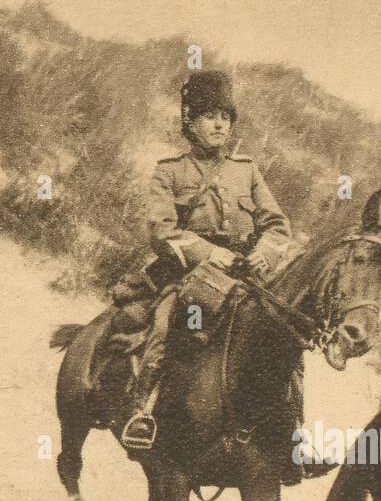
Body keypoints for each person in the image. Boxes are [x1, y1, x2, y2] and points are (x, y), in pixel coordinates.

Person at [119, 69, 292, 452]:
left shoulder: (246, 170)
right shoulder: (170, 170)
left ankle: (289, 434)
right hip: (187, 272)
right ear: (189, 122)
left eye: (226, 117)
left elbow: (278, 225)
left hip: (244, 275)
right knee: (166, 323)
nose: (219, 124)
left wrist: (262, 254)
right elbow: (161, 231)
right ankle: (142, 409)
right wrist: (214, 253)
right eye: (209, 115)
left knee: (285, 333)